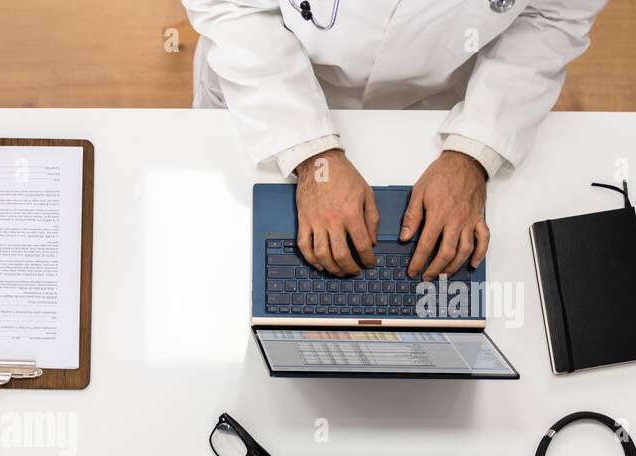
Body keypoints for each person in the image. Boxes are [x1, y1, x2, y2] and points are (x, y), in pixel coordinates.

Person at [184, 0, 608, 281]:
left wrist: (475, 150)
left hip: (443, 102)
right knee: (231, 272)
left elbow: (555, 15)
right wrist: (311, 152)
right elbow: (229, 6)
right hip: (270, 89)